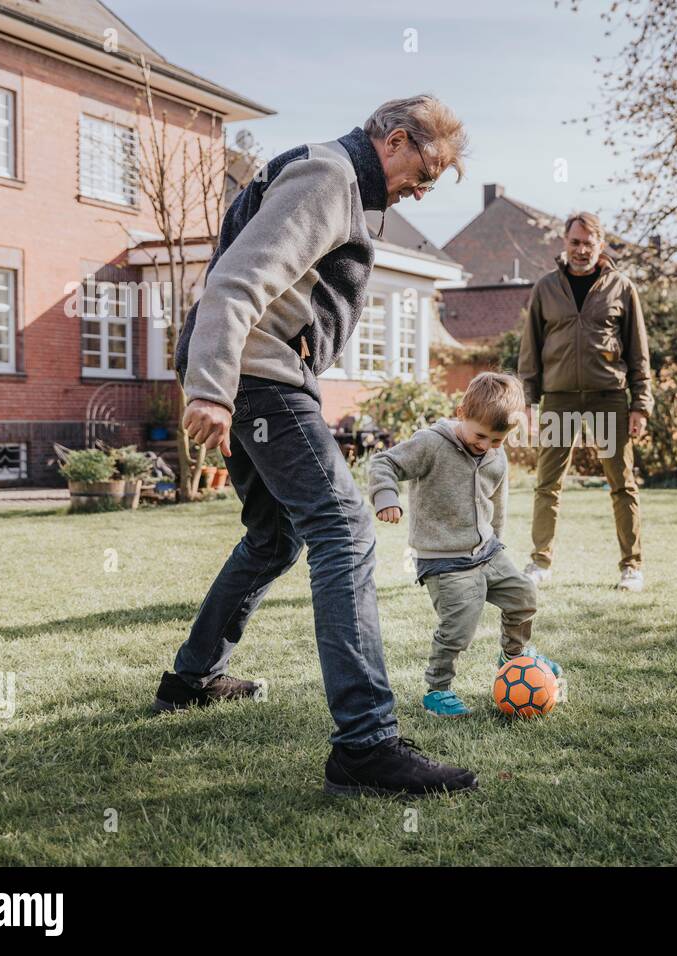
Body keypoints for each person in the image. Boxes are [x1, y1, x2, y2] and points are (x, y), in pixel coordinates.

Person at [154, 95, 479, 798]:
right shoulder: (329, 177)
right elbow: (237, 280)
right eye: (423, 173)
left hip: (262, 374)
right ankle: (366, 747)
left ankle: (190, 678)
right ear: (393, 141)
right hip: (258, 379)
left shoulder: (344, 184)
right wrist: (211, 386)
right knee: (344, 529)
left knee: (274, 539)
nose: (422, 191)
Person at [368, 372, 562, 718]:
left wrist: (497, 544)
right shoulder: (431, 444)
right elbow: (385, 462)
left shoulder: (495, 458)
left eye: (498, 440)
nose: (486, 445)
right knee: (459, 628)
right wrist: (385, 496)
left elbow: (496, 506)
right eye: (481, 435)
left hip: (486, 552)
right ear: (462, 413)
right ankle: (437, 690)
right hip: (444, 560)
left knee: (523, 595)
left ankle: (514, 658)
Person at [517, 211, 652, 592]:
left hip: (608, 397)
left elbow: (639, 352)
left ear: (601, 245)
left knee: (622, 484)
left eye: (588, 244)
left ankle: (631, 567)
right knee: (547, 485)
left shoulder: (622, 287)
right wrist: (527, 402)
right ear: (564, 243)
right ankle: (540, 562)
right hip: (559, 399)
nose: (581, 250)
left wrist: (640, 404)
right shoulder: (545, 289)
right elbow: (530, 352)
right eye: (574, 243)